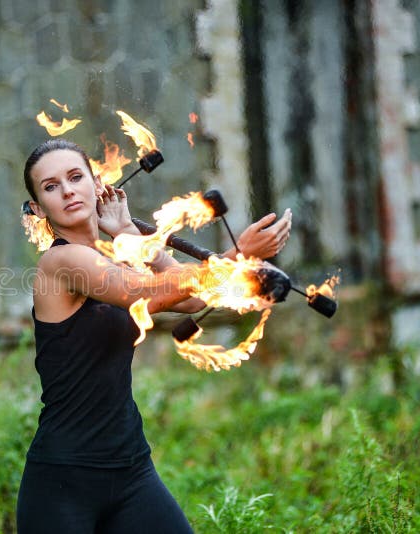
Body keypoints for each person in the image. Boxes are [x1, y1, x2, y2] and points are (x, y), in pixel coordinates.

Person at [16, 138, 292, 533]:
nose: (67, 190)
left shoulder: (112, 254)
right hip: (65, 480)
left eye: (76, 177)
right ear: (40, 208)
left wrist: (128, 231)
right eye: (51, 186)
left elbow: (190, 300)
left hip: (130, 470)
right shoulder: (61, 262)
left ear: (98, 185)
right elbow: (145, 293)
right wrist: (238, 255)